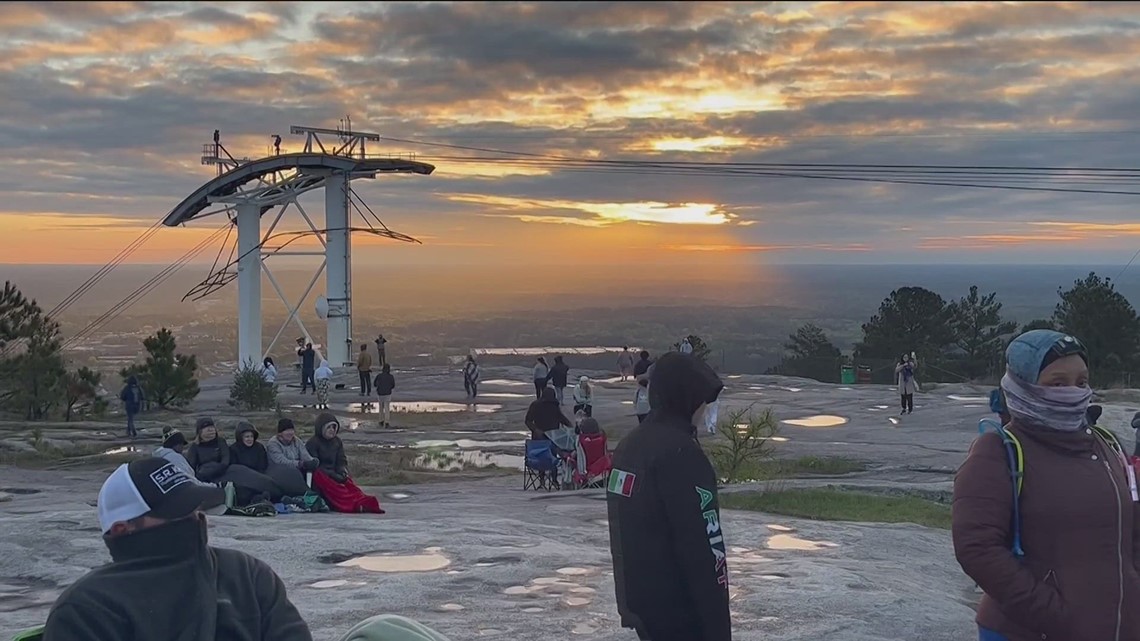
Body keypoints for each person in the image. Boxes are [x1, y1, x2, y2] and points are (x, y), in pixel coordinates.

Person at [953, 330, 1140, 641]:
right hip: (1031, 631)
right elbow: (978, 548)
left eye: (1082, 382)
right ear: (1022, 386)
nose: (1073, 392)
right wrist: (1056, 615)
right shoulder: (998, 451)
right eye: (1057, 383)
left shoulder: (1107, 444)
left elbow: (1134, 528)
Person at [41, 457, 312, 641]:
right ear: (122, 530)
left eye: (194, 508)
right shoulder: (86, 609)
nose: (193, 519)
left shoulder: (247, 575)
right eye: (176, 512)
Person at [607, 352, 729, 641]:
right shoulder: (682, 453)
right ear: (687, 397)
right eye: (703, 400)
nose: (704, 408)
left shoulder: (629, 445)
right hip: (682, 610)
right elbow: (705, 547)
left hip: (642, 602)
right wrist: (718, 626)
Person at [306, 413, 384, 514]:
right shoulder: (313, 443)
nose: (332, 430)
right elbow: (315, 464)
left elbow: (341, 459)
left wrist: (342, 470)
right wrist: (333, 475)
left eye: (334, 427)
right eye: (328, 427)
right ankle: (351, 505)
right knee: (336, 490)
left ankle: (362, 503)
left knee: (352, 488)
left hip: (335, 473)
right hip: (322, 475)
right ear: (321, 428)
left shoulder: (337, 442)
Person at [266, 418, 319, 497]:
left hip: (297, 470)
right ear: (280, 433)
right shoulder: (273, 444)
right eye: (287, 430)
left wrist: (312, 461)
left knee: (318, 473)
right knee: (295, 474)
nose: (290, 433)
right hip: (279, 473)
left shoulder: (296, 440)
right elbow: (281, 461)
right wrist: (301, 464)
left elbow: (304, 454)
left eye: (291, 430)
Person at [230, 422, 274, 505]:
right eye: (247, 437)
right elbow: (234, 468)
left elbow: (263, 465)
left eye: (251, 436)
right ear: (241, 437)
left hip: (258, 477)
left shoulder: (259, 448)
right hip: (242, 480)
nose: (250, 439)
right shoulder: (233, 449)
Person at [184, 417, 230, 483]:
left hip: (222, 474)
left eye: (212, 427)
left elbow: (225, 460)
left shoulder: (221, 442)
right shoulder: (195, 447)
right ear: (200, 431)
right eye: (207, 428)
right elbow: (190, 467)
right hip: (203, 477)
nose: (211, 430)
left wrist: (217, 469)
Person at [374, 364, 396, 428]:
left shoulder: (379, 376)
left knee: (381, 407)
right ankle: (386, 422)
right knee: (387, 408)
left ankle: (381, 420)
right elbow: (393, 385)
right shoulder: (391, 376)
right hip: (388, 393)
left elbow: (375, 384)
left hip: (380, 393)